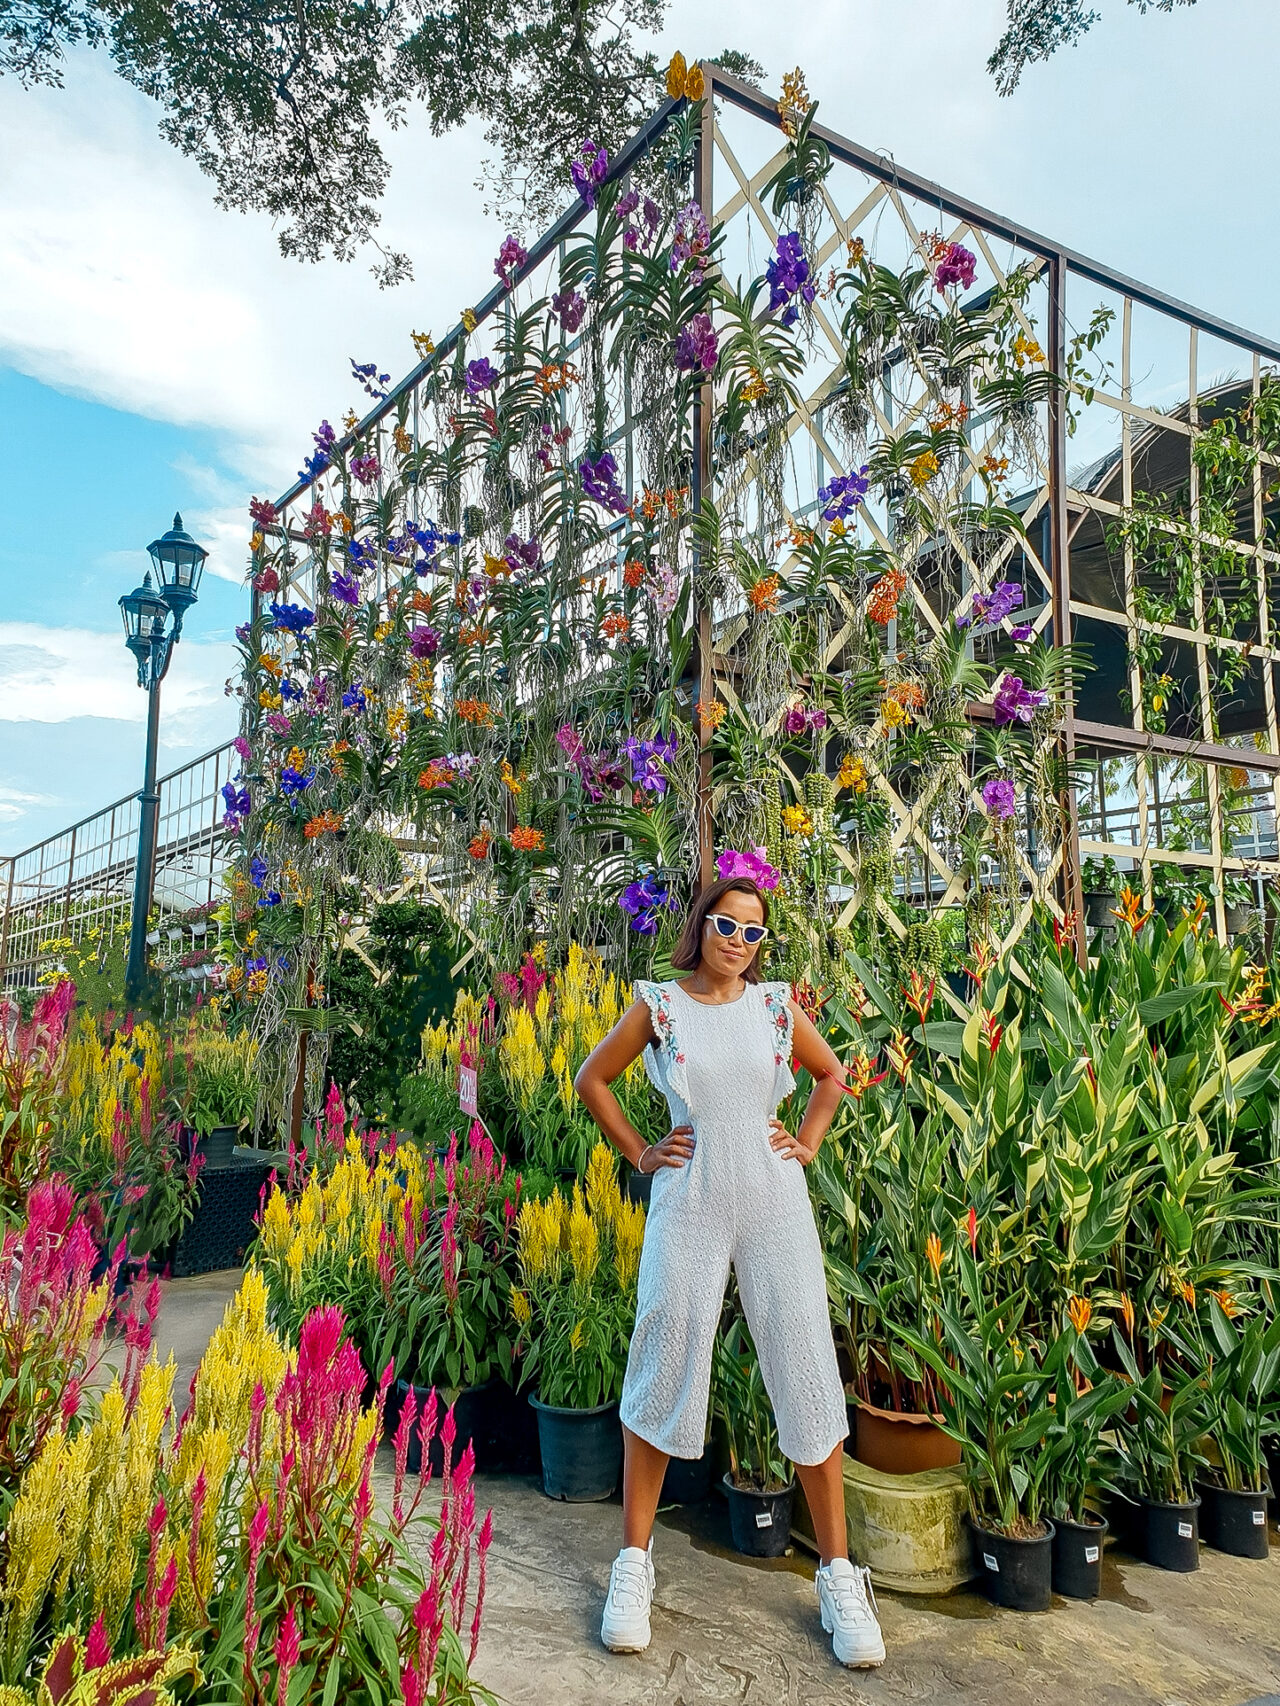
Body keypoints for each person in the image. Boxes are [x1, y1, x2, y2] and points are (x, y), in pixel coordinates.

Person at [573, 872, 886, 1670]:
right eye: (727, 925)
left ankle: (839, 1576)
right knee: (665, 1347)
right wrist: (640, 1150)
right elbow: (591, 1080)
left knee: (806, 1359)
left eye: (753, 932)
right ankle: (633, 1567)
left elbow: (832, 1076)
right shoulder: (662, 1005)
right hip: (690, 1194)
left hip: (775, 1198)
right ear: (701, 923)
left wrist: (807, 1143)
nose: (739, 943)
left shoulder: (778, 1007)